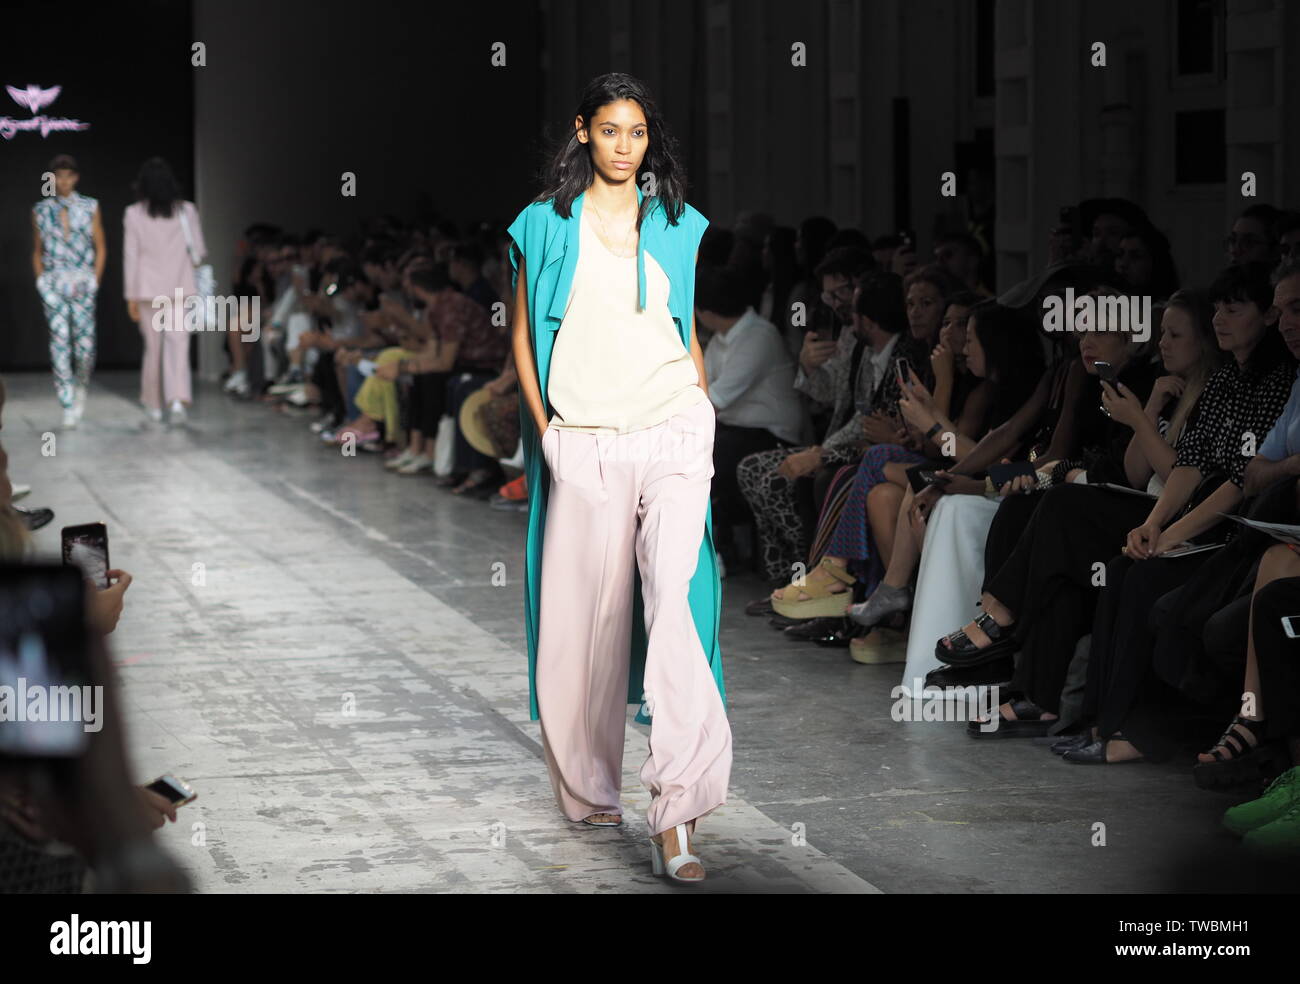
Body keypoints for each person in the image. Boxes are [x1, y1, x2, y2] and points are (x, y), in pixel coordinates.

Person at [507, 72, 729, 883]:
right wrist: (550, 436)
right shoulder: (542, 224)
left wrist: (701, 406)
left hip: (672, 426)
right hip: (586, 439)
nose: (625, 146)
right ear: (583, 131)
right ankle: (590, 786)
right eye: (609, 130)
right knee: (586, 622)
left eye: (637, 132)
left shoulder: (676, 221)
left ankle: (679, 813)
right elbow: (523, 338)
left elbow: (685, 326)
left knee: (677, 602)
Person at [123, 157, 208, 425]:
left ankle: (153, 403)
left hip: (147, 290)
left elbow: (131, 255)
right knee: (178, 344)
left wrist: (130, 296)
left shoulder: (134, 214)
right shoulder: (187, 211)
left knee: (153, 348)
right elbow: (199, 250)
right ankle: (177, 401)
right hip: (180, 286)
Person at [32, 154, 105, 429]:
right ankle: (66, 401)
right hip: (54, 283)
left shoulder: (90, 207)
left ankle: (81, 386)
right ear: (52, 179)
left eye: (68, 176)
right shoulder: (40, 210)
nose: (63, 181)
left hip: (83, 282)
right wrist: (41, 281)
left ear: (75, 178)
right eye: (58, 176)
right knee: (59, 342)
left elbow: (101, 245)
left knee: (85, 347)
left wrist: (95, 279)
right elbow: (37, 250)